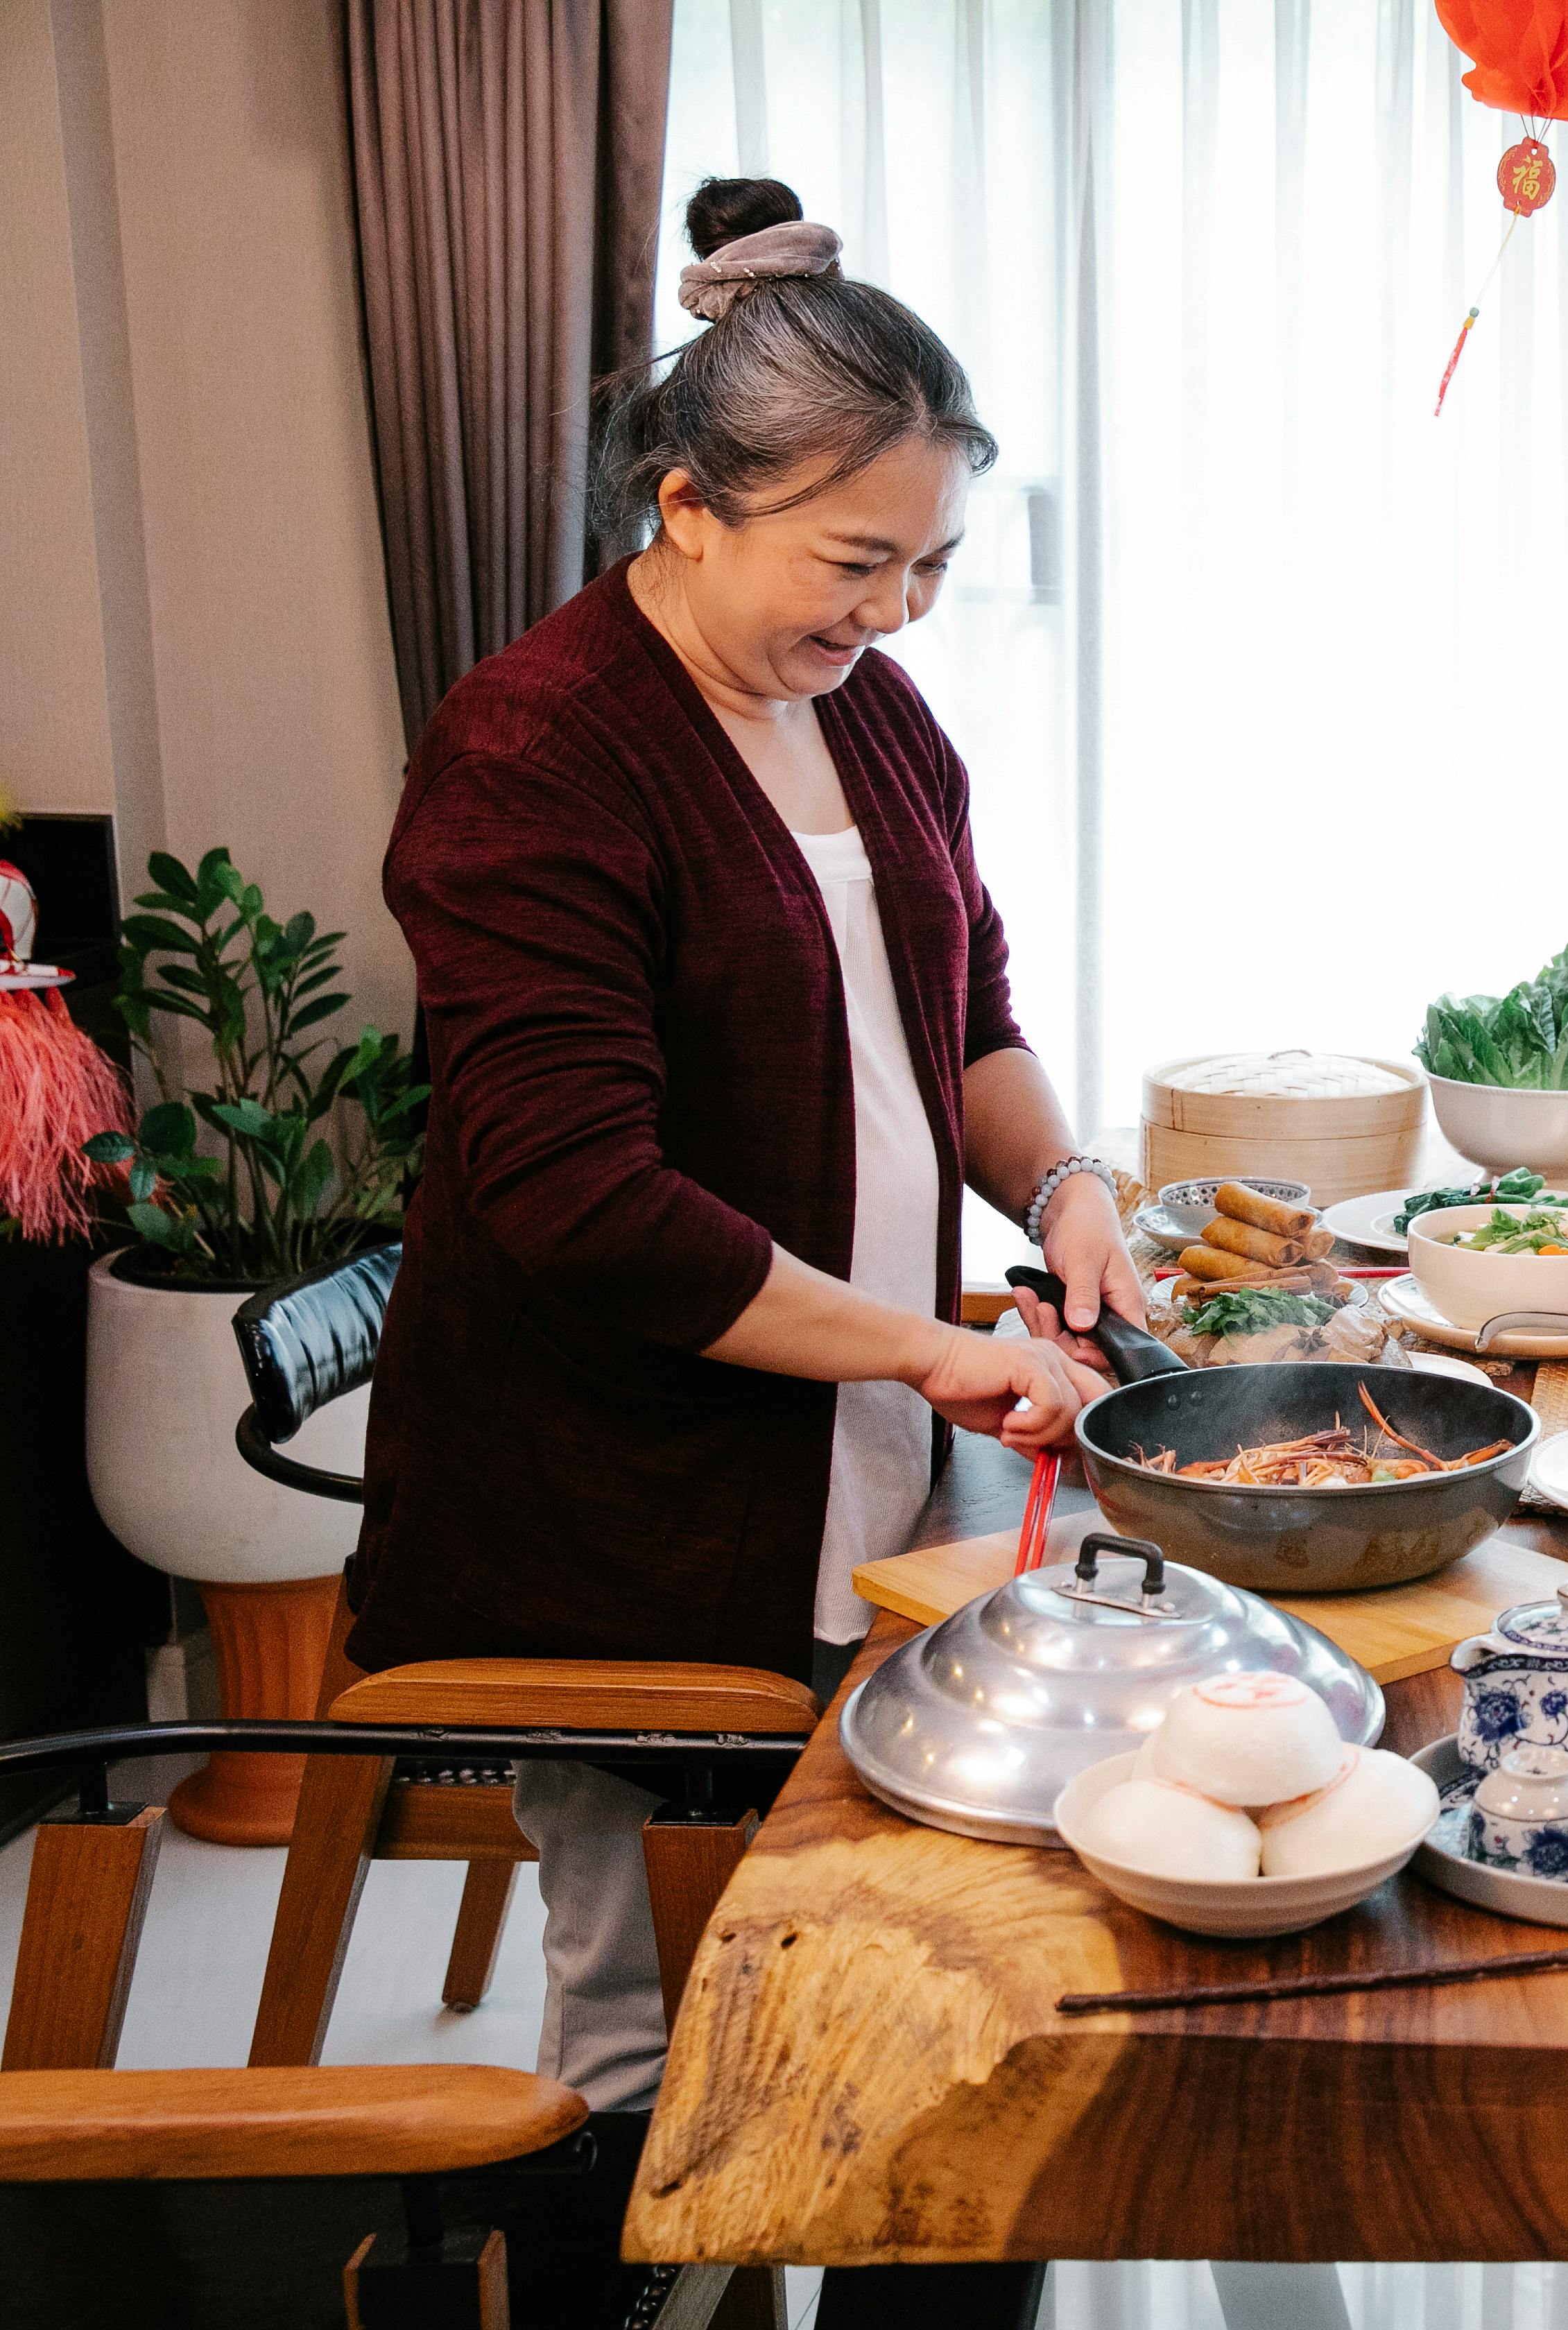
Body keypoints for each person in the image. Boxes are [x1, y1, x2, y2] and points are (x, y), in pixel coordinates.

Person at [350, 178, 1125, 2320]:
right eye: (855, 561)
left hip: (849, 1448)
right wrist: (925, 1349)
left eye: (931, 564)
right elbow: (577, 1200)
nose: (897, 611)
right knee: (647, 2010)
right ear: (686, 507)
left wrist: (1065, 1188)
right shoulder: (535, 748)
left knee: (909, 1985)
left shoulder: (865, 709)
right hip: (619, 1504)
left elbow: (961, 1015)